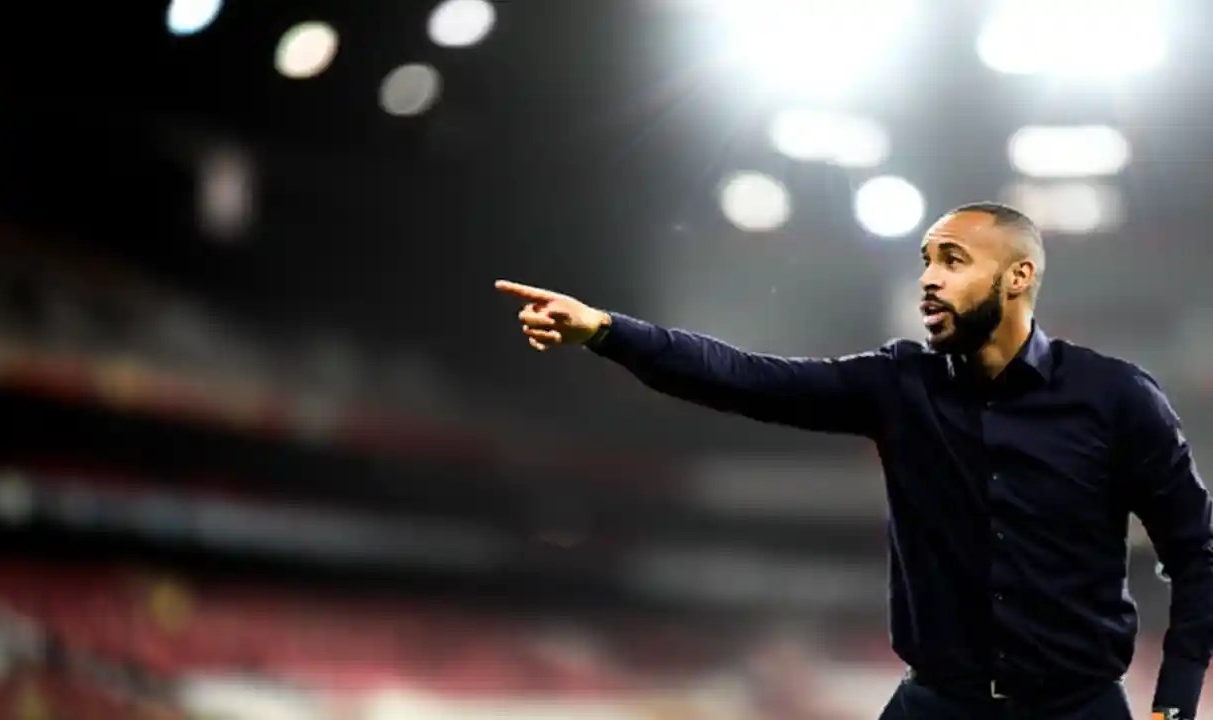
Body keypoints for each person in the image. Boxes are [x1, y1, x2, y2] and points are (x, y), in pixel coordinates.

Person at [495, 202, 1213, 720]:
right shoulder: (898, 386)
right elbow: (744, 377)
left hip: (1076, 710)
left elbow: (1198, 554)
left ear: (1019, 276)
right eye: (925, 261)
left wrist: (1176, 703)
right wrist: (607, 333)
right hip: (937, 704)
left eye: (953, 261)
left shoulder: (1117, 398)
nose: (928, 278)